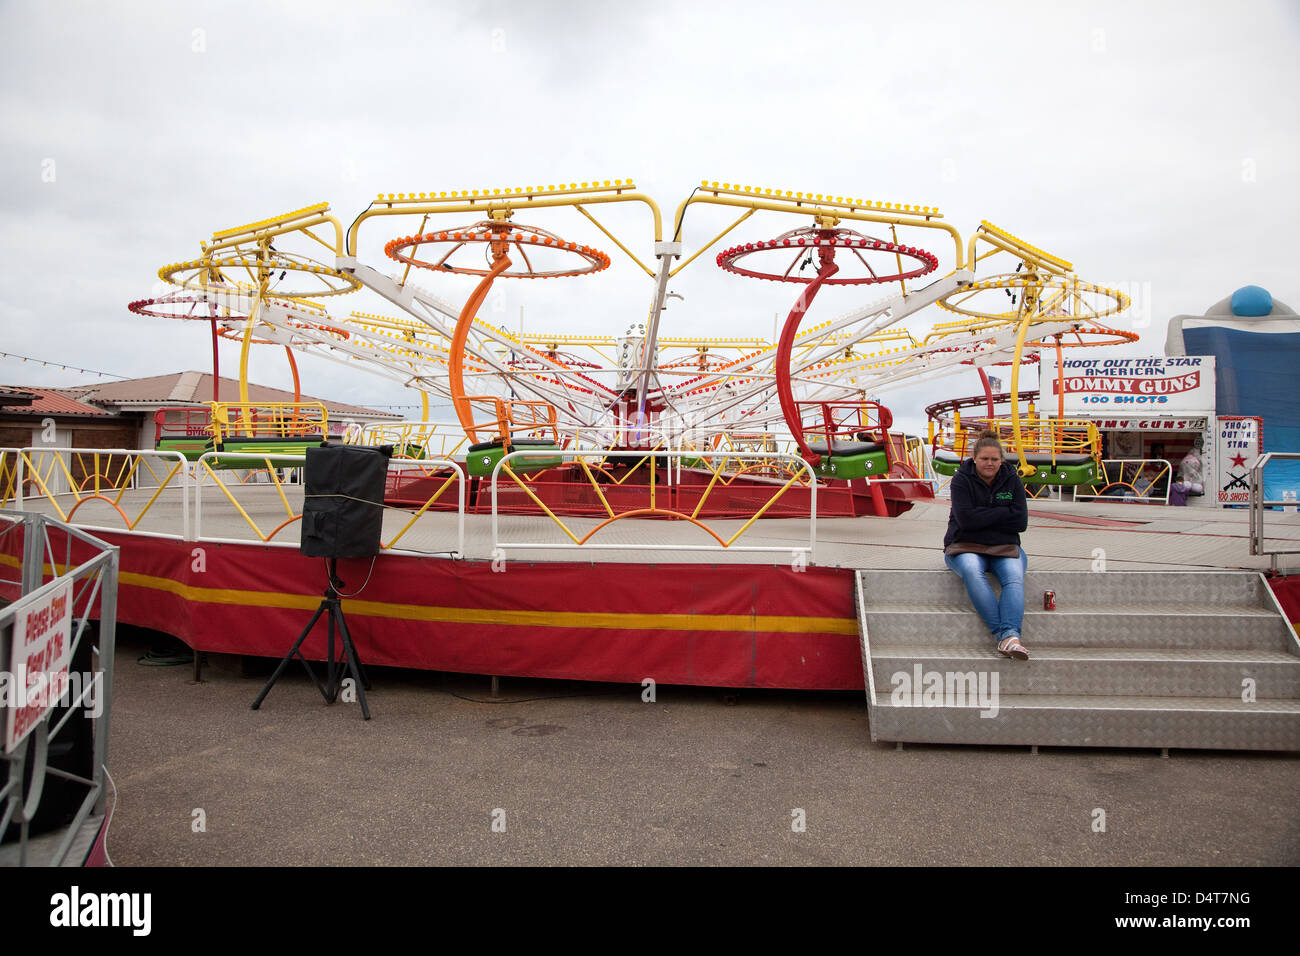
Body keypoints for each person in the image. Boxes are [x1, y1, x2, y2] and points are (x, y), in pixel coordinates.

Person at [943, 431, 1031, 660]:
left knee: (1013, 577)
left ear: (1001, 460)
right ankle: (1006, 635)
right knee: (973, 571)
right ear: (974, 458)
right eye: (984, 459)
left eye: (994, 459)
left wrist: (982, 515)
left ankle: (1008, 637)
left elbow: (1021, 522)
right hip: (964, 545)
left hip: (1005, 546)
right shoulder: (961, 480)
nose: (989, 463)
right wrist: (1004, 512)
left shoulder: (1012, 480)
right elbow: (966, 521)